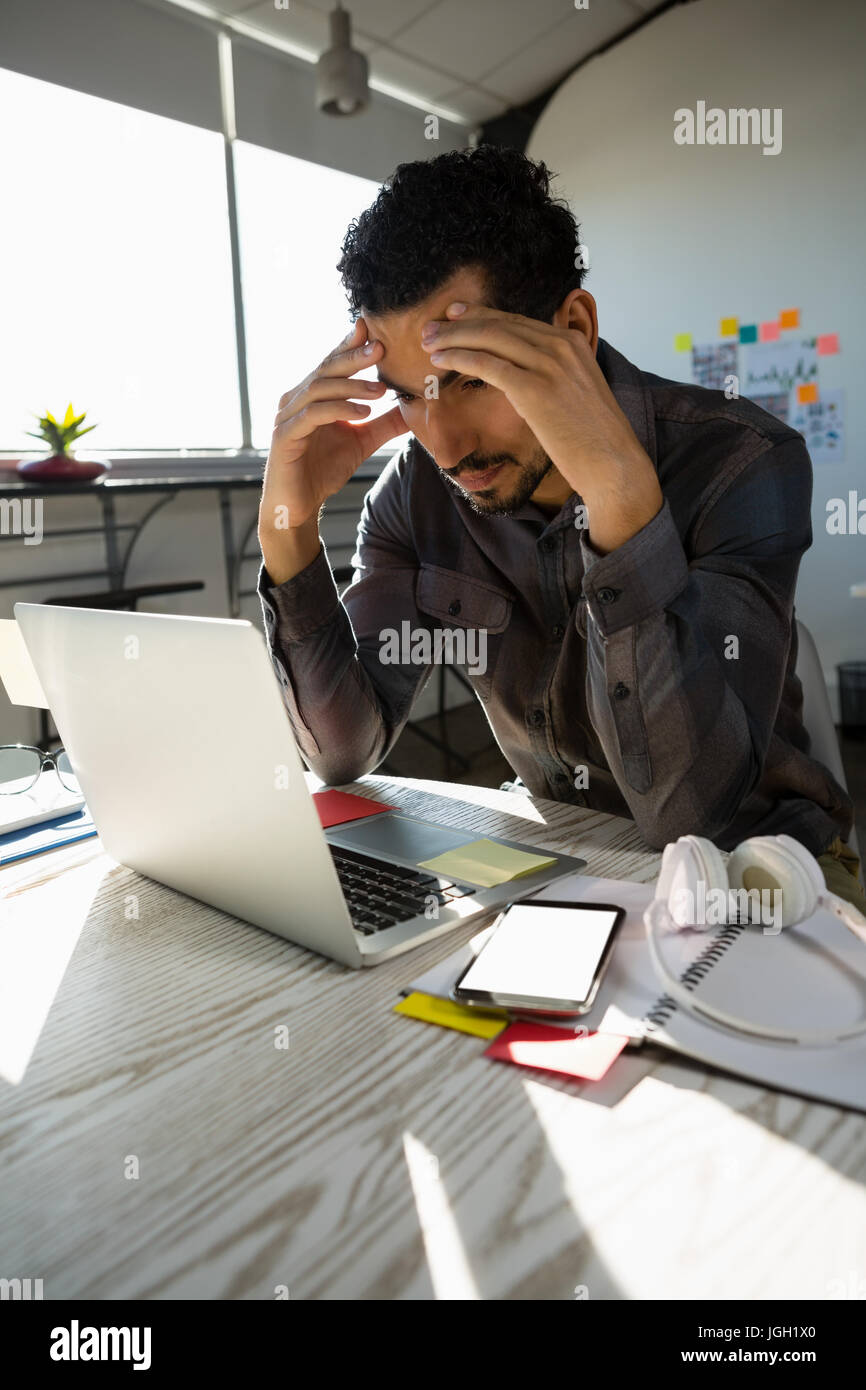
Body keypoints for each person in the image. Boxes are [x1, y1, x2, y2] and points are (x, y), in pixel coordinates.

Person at [257, 144, 865, 913]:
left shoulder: (741, 460)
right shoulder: (414, 493)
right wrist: (288, 533)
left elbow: (690, 816)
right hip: (554, 850)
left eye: (474, 380)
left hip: (762, 868)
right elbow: (341, 754)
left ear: (572, 327)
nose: (443, 446)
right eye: (410, 396)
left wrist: (618, 496)